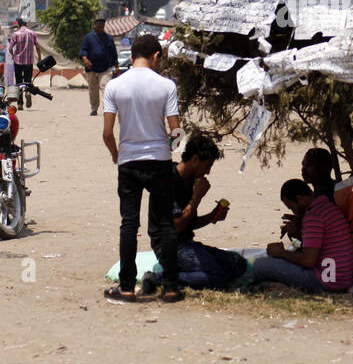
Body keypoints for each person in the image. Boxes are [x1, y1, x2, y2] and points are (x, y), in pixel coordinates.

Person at [103, 35, 183, 302]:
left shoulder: (114, 86)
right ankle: (171, 287)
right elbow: (177, 130)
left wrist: (117, 155)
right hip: (159, 160)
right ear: (156, 55)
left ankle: (126, 287)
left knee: (129, 224)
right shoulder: (166, 86)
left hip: (128, 162)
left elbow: (106, 133)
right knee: (164, 225)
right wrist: (169, 146)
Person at [142, 134, 247, 292]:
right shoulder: (168, 180)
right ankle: (160, 278)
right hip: (170, 247)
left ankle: (182, 274)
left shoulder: (191, 179)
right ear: (195, 159)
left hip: (187, 243)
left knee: (239, 264)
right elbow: (176, 227)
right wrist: (197, 197)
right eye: (207, 166)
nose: (208, 172)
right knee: (216, 278)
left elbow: (189, 222)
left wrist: (212, 217)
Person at [252, 178, 353, 293]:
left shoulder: (313, 216)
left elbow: (308, 260)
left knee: (259, 265)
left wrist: (281, 253)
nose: (293, 211)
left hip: (326, 282)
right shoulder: (327, 208)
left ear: (300, 199)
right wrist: (299, 235)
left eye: (292, 207)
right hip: (340, 280)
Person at [80, 16, 119, 117]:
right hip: (91, 69)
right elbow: (83, 51)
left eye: (102, 25)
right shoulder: (88, 38)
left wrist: (116, 66)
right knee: (93, 90)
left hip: (105, 69)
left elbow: (114, 54)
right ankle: (94, 109)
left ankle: (107, 108)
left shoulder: (109, 38)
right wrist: (85, 60)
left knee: (105, 88)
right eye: (98, 25)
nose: (100, 27)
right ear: (94, 26)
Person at [8, 18, 39, 108]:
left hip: (18, 61)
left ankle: (20, 104)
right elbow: (37, 46)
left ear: (18, 24)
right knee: (28, 81)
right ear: (26, 24)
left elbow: (10, 48)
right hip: (28, 61)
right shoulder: (32, 33)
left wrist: (13, 56)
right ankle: (28, 91)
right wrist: (40, 58)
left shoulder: (16, 34)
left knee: (18, 82)